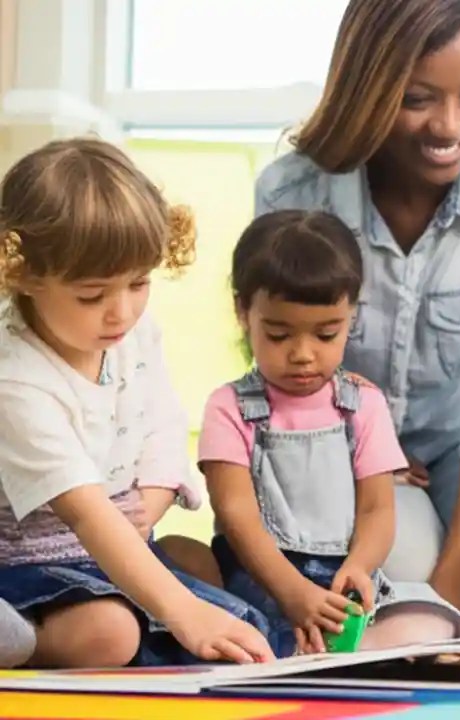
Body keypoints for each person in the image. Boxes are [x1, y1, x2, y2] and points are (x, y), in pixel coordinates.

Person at [253, 0, 460, 636]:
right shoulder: (291, 193)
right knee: (403, 588)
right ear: (368, 88)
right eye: (419, 98)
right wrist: (363, 445)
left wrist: (458, 578)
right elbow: (283, 359)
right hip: (342, 443)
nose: (450, 124)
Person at [0, 137, 274, 668]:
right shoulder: (15, 379)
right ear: (23, 273)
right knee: (112, 633)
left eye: (139, 283)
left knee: (236, 615)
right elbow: (84, 513)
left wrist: (153, 494)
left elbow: (162, 420)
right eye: (91, 295)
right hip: (29, 565)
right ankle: (21, 640)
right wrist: (184, 613)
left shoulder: (132, 332)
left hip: (119, 545)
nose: (120, 312)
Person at [198, 210, 460, 657]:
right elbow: (237, 518)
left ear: (351, 314)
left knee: (429, 619)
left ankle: (325, 647)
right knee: (217, 604)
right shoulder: (228, 407)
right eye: (278, 334)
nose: (303, 355)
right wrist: (292, 594)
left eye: (327, 334)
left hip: (343, 581)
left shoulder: (362, 404)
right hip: (261, 578)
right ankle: (283, 645)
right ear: (242, 312)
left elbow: (377, 509)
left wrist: (360, 568)